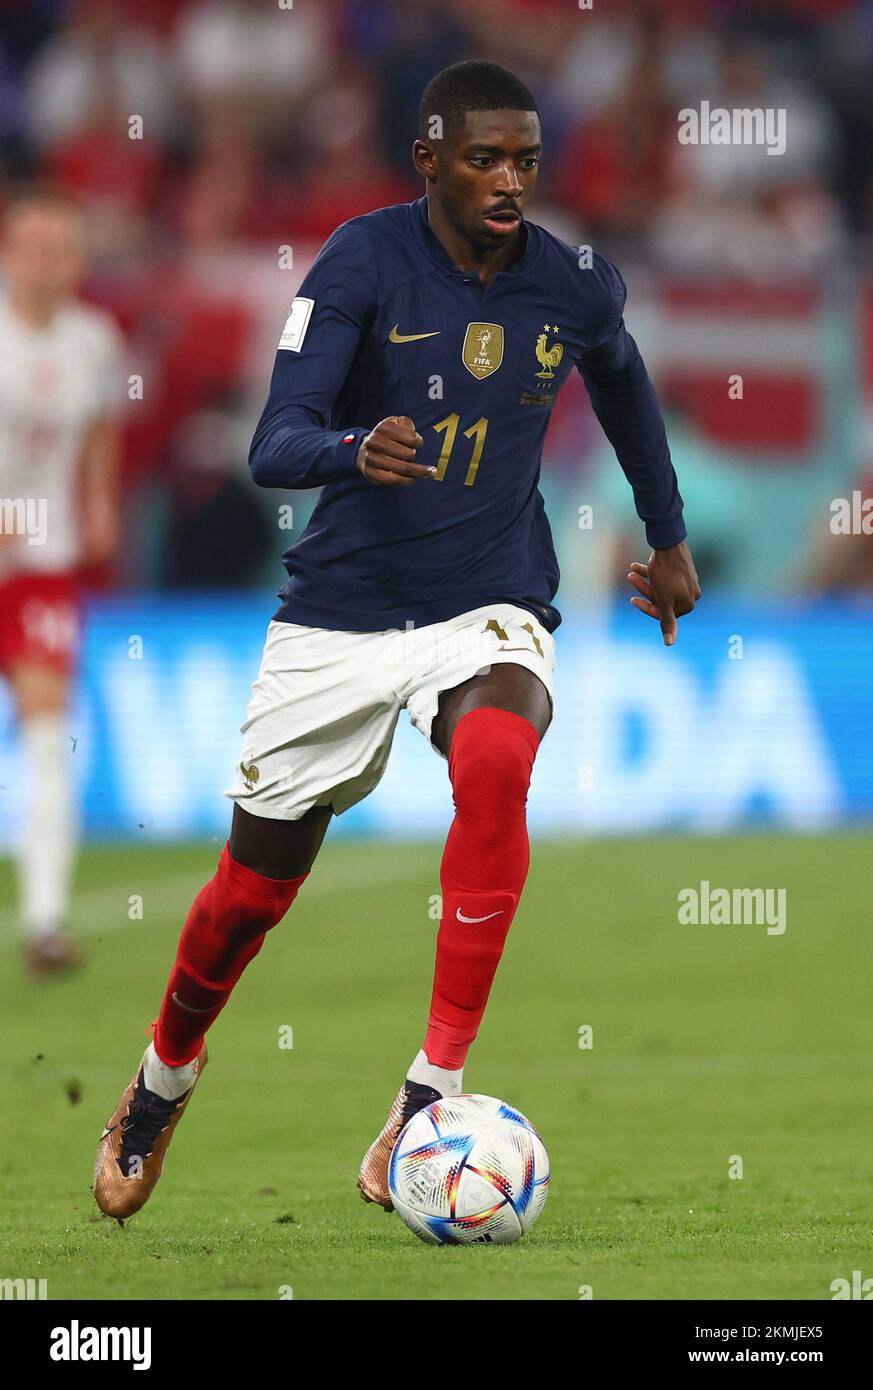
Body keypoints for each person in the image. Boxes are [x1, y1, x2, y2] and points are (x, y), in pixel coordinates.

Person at [92, 61, 699, 1221]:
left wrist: (667, 538)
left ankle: (431, 1090)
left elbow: (621, 374)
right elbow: (275, 442)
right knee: (247, 897)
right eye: (485, 159)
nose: (510, 181)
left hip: (489, 599)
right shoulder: (361, 260)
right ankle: (164, 1072)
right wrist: (354, 445)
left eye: (525, 159)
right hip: (343, 615)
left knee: (500, 764)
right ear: (430, 161)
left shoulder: (572, 281)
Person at [0, 189, 122, 974]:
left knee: (50, 738)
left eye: (58, 246)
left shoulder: (94, 339)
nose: (43, 261)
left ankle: (45, 920)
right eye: (29, 244)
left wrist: (100, 501)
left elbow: (103, 423)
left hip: (41, 560)